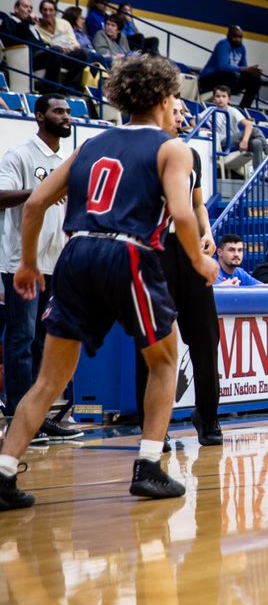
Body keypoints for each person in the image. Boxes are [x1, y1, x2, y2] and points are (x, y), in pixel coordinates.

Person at [0, 54, 218, 510]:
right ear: (162, 98)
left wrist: (25, 265)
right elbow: (182, 214)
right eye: (175, 96)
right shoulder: (172, 148)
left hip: (76, 253)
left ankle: (2, 472)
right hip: (128, 252)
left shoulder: (88, 146)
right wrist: (199, 261)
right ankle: (150, 467)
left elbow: (37, 203)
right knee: (164, 360)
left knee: (49, 379)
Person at [133, 99, 222, 447]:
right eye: (177, 110)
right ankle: (153, 424)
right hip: (155, 250)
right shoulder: (143, 153)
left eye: (186, 112)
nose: (183, 117)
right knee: (154, 342)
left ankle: (208, 415)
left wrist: (208, 232)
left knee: (205, 338)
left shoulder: (191, 155)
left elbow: (197, 203)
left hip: (190, 250)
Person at [0, 94, 82, 444]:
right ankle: (19, 417)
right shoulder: (19, 155)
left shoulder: (65, 161)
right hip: (22, 262)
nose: (66, 117)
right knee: (21, 339)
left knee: (42, 345)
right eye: (58, 111)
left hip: (54, 264)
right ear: (39, 116)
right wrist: (38, 192)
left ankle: (37, 417)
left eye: (68, 112)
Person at [199, 25, 263, 109]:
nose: (238, 39)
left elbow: (243, 67)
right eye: (235, 36)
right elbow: (223, 67)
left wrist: (251, 71)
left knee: (255, 79)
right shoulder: (223, 44)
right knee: (232, 75)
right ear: (228, 36)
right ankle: (225, 105)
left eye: (240, 37)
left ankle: (244, 108)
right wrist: (245, 69)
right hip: (208, 79)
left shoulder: (242, 48)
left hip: (229, 80)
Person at [209, 85, 267, 173]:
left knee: (257, 142)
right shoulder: (211, 110)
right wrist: (201, 128)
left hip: (235, 142)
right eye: (218, 96)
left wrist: (245, 141)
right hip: (222, 143)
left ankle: (258, 173)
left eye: (224, 96)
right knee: (256, 131)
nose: (220, 99)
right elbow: (194, 121)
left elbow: (248, 125)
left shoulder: (233, 110)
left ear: (229, 99)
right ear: (213, 99)